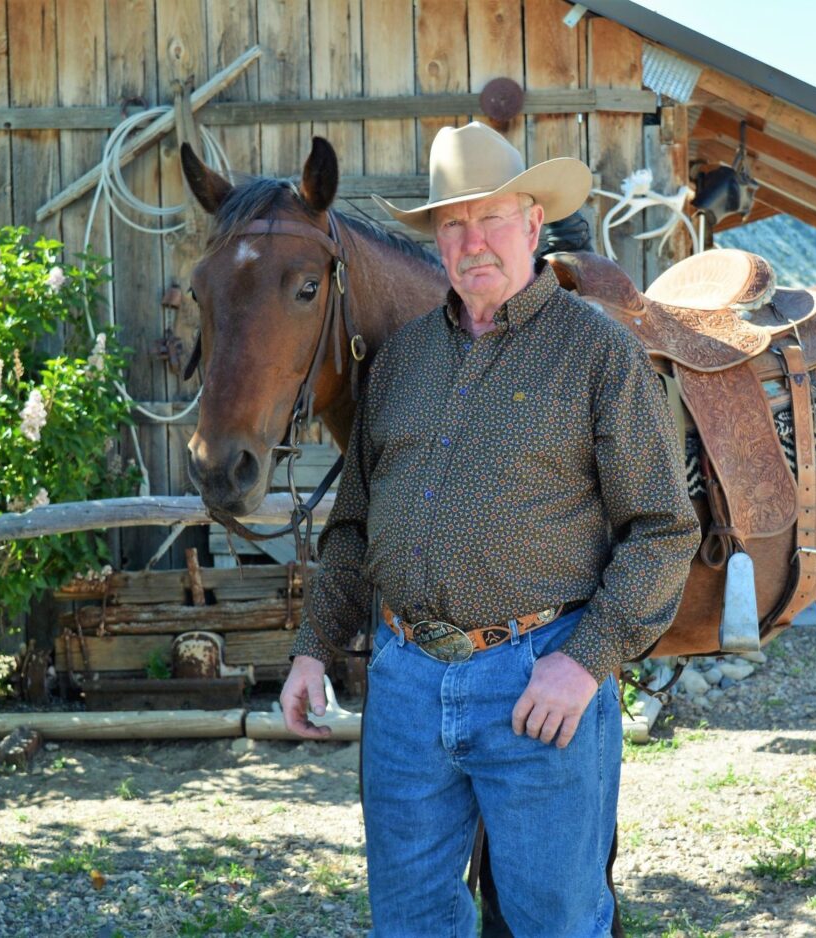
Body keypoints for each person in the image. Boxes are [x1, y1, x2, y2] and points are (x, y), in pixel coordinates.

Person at [282, 121, 699, 937]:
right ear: (436, 240)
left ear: (534, 224)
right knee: (409, 920)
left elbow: (661, 529)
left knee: (555, 921)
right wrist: (311, 648)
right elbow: (354, 527)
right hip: (403, 686)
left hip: (539, 684)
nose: (473, 242)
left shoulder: (598, 356)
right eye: (453, 224)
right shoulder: (400, 362)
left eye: (492, 219)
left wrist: (586, 663)